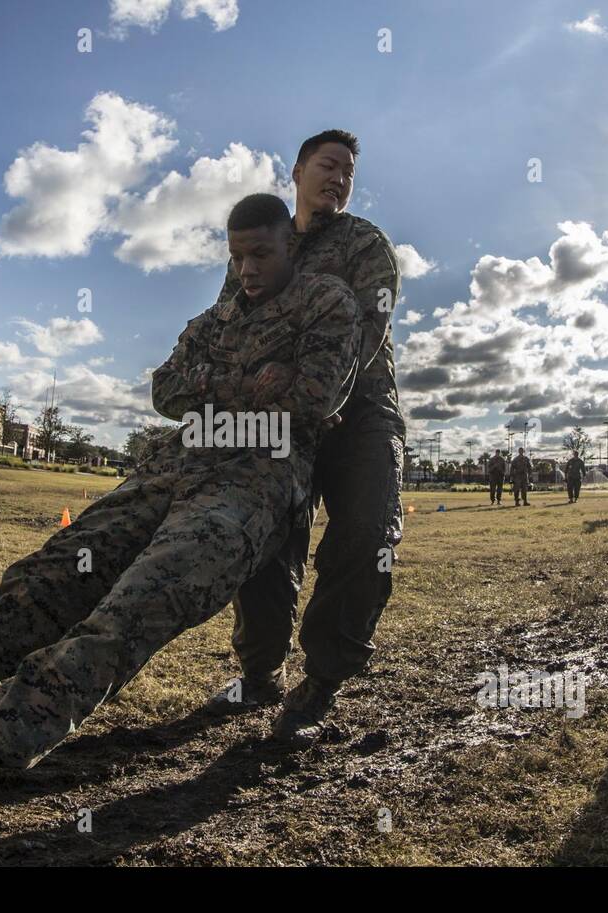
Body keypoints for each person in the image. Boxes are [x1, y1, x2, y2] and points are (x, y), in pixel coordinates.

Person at [0, 194, 362, 828]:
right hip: (171, 468)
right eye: (236, 256)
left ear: (289, 248)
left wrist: (226, 390)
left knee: (131, 610)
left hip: (250, 487)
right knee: (46, 578)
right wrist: (245, 385)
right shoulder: (215, 319)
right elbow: (166, 388)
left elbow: (316, 396)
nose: (247, 269)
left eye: (261, 254)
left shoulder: (329, 301)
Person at [206, 130, 405, 742]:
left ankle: (322, 681)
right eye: (328, 165)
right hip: (280, 423)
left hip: (361, 412)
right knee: (265, 543)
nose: (339, 177)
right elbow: (226, 328)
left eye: (348, 171)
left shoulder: (367, 243)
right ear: (296, 171)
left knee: (367, 532)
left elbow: (368, 328)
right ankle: (259, 671)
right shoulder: (264, 248)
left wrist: (315, 388)